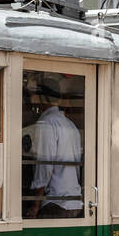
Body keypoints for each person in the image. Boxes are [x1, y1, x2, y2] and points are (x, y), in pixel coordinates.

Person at [28, 76, 83, 218]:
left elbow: (44, 166)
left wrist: (35, 205)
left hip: (56, 203)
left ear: (43, 99)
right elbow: (77, 166)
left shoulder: (46, 123)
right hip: (74, 201)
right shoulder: (70, 125)